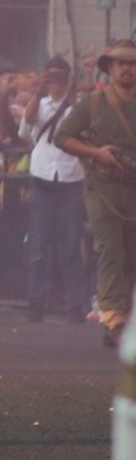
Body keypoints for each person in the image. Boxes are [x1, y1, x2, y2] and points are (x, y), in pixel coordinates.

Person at [59, 40, 136, 349]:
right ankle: (114, 316)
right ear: (110, 68)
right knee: (110, 251)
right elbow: (63, 137)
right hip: (103, 188)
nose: (128, 69)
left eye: (132, 64)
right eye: (121, 64)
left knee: (130, 255)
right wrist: (96, 153)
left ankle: (120, 319)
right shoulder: (92, 104)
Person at [25, 56, 89, 324]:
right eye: (52, 78)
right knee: (38, 244)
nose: (56, 84)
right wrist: (39, 88)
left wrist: (74, 98)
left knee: (72, 245)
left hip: (71, 177)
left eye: (61, 78)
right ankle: (36, 303)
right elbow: (28, 121)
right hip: (42, 176)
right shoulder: (39, 104)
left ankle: (75, 304)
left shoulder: (79, 107)